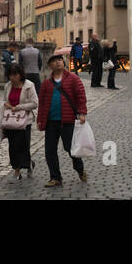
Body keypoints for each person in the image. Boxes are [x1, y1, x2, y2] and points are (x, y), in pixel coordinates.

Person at [36, 53, 87, 187]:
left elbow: (81, 96)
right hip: (51, 122)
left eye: (60, 60)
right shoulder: (46, 83)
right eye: (54, 61)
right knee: (50, 150)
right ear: (50, 66)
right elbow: (42, 103)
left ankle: (80, 169)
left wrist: (82, 113)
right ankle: (55, 177)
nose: (58, 62)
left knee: (70, 149)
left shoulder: (73, 79)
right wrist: (40, 120)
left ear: (63, 63)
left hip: (68, 121)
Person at [0, 63, 38, 181]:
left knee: (23, 145)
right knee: (12, 146)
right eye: (10, 75)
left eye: (15, 75)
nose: (12, 78)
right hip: (10, 120)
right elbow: (5, 100)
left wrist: (19, 107)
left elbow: (35, 103)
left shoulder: (29, 85)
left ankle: (28, 165)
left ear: (20, 75)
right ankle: (16, 169)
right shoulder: (8, 86)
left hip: (24, 120)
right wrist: (6, 104)